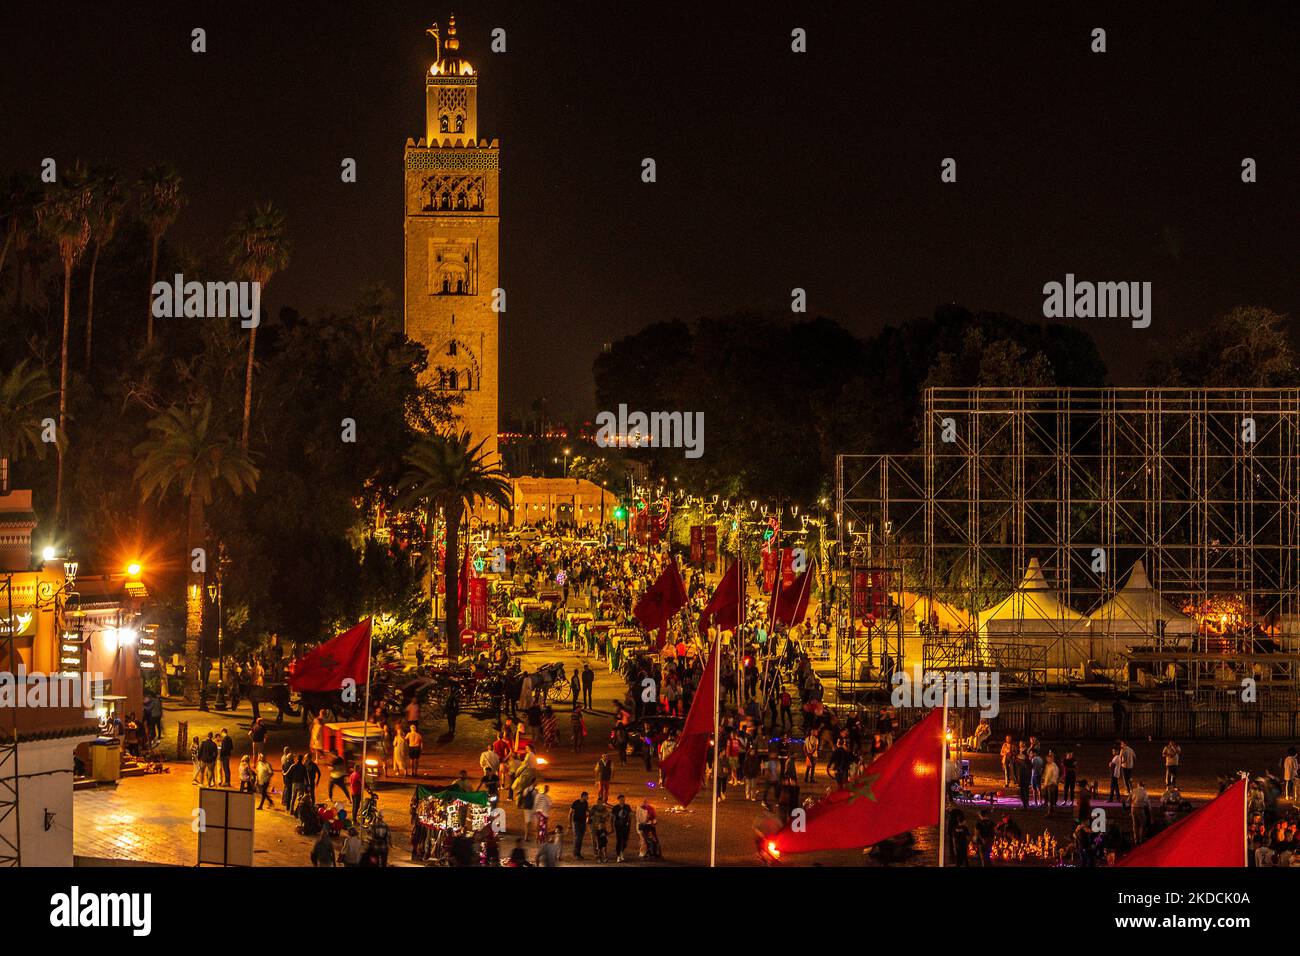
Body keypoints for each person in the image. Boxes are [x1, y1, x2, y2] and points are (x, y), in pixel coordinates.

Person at [588, 798, 612, 862]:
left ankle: (602, 854)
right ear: (597, 802)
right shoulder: (594, 807)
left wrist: (604, 815)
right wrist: (602, 815)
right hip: (593, 825)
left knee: (602, 840)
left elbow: (607, 815)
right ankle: (596, 854)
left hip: (601, 826)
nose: (599, 803)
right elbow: (590, 814)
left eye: (601, 802)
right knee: (594, 839)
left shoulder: (604, 808)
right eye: (598, 802)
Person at [611, 794, 633, 863]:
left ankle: (621, 852)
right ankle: (618, 856)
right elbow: (612, 818)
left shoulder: (627, 807)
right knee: (619, 840)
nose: (622, 801)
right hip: (618, 826)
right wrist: (612, 827)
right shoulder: (615, 808)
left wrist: (630, 823)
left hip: (626, 826)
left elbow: (630, 815)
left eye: (623, 800)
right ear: (618, 800)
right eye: (621, 800)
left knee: (625, 841)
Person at [569, 791, 589, 859]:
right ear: (583, 796)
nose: (587, 797)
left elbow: (587, 811)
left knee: (580, 838)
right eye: (586, 796)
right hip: (576, 822)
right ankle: (576, 853)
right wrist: (570, 824)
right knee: (578, 837)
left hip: (583, 822)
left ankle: (578, 853)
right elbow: (570, 813)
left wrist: (588, 816)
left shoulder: (586, 803)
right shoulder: (575, 803)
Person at [1042, 752, 1060, 816]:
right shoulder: (1048, 765)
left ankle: (1050, 812)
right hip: (1047, 784)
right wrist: (1045, 782)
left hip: (1051, 785)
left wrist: (1051, 783)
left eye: (1049, 759)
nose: (1047, 760)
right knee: (1048, 798)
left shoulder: (1054, 766)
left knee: (1051, 799)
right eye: (1047, 759)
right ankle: (1051, 810)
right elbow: (1046, 774)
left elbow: (1055, 776)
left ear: (1052, 759)